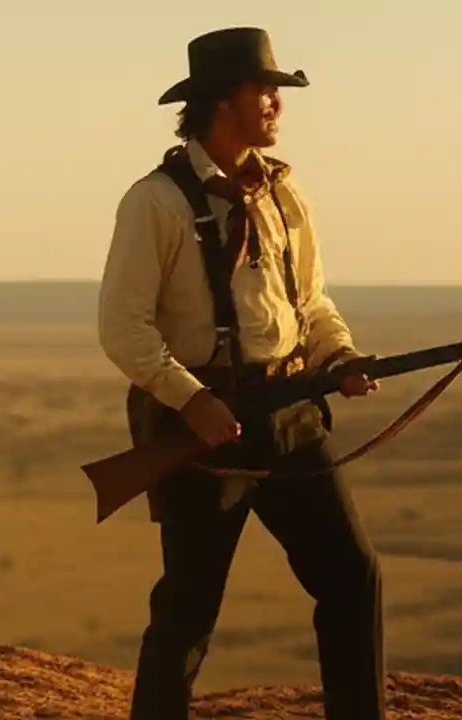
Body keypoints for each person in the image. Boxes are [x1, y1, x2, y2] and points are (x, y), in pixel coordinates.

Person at [97, 27, 386, 719]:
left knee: (353, 580)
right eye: (265, 90)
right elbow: (123, 329)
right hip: (208, 429)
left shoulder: (284, 193)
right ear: (220, 102)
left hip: (292, 414)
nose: (276, 105)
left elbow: (310, 301)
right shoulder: (155, 202)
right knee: (189, 613)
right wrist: (190, 401)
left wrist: (338, 357)